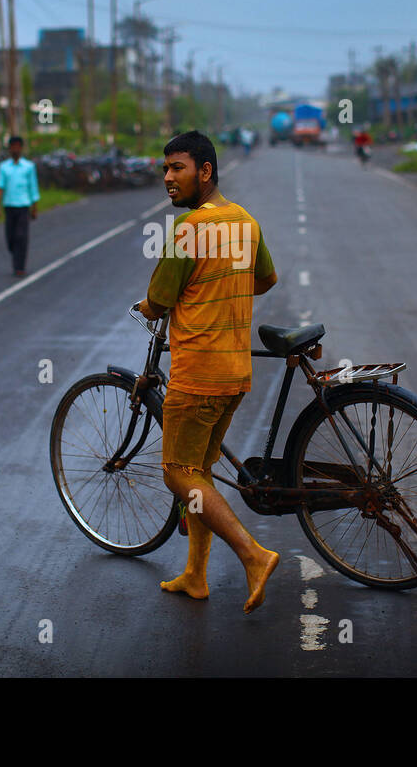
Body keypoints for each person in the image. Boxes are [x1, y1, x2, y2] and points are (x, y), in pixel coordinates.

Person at [136, 130, 280, 614]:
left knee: (178, 474)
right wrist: (224, 288)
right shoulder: (244, 221)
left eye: (178, 168)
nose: (168, 178)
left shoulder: (188, 231)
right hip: (235, 375)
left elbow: (158, 303)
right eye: (165, 169)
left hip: (198, 375)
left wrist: (147, 304)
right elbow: (265, 279)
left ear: (206, 171)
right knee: (200, 471)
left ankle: (253, 556)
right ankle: (196, 575)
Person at [0, 136, 39, 276]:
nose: (15, 149)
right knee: (10, 237)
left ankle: (19, 266)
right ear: (9, 149)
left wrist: (34, 207)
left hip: (23, 206)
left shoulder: (29, 167)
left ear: (21, 148)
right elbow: (0, 187)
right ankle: (16, 255)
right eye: (13, 146)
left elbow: (33, 187)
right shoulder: (4, 167)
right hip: (9, 205)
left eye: (18, 146)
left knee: (21, 236)